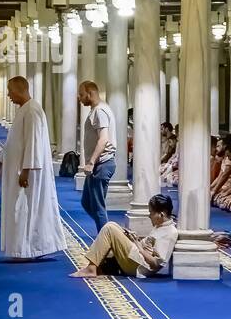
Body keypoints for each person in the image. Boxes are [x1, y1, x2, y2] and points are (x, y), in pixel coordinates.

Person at [0, 75, 62, 260]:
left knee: (25, 210)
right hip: (19, 169)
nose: (8, 95)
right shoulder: (24, 110)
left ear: (20, 89)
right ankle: (23, 248)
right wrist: (0, 161)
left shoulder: (32, 111)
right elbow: (14, 142)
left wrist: (26, 170)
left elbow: (33, 143)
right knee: (20, 209)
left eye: (10, 91)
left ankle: (28, 248)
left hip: (28, 173)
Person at [71, 194, 178, 279]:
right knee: (114, 225)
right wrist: (136, 239)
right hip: (137, 257)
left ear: (161, 214)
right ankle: (98, 265)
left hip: (138, 266)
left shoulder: (169, 232)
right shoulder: (161, 225)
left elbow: (156, 264)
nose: (149, 215)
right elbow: (150, 246)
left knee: (109, 228)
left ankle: (91, 268)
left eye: (151, 212)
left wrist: (138, 246)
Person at [77, 80, 117, 232]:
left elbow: (103, 139)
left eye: (81, 95)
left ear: (90, 93)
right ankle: (110, 233)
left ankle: (108, 244)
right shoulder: (97, 110)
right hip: (98, 165)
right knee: (87, 203)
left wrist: (91, 162)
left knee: (98, 208)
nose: (79, 98)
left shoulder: (100, 111)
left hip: (101, 164)